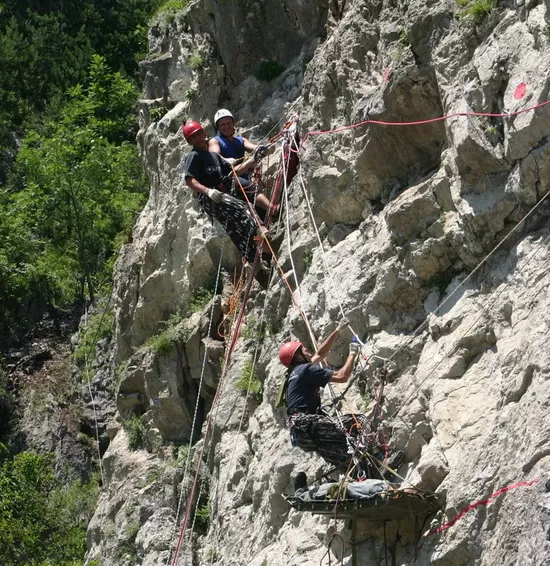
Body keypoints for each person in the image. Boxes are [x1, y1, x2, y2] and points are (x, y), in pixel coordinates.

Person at [278, 319, 382, 477]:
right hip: (309, 424)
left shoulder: (293, 374)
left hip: (301, 435)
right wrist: (353, 353)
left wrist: (338, 331)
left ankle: (367, 478)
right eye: (304, 350)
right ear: (298, 357)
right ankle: (380, 460)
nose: (309, 352)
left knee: (342, 454)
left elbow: (319, 354)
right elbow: (342, 376)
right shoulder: (305, 370)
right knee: (359, 423)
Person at [182, 120, 272, 288]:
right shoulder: (193, 156)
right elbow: (190, 180)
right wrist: (207, 191)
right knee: (245, 209)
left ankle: (259, 270)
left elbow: (233, 171)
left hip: (222, 194)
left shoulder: (214, 156)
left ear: (204, 133)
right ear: (190, 141)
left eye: (199, 134)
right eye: (193, 137)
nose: (198, 139)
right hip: (212, 198)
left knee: (239, 231)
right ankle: (263, 236)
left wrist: (254, 159)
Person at [208, 109, 274, 214]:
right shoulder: (215, 141)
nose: (226, 127)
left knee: (258, 207)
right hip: (229, 179)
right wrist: (226, 160)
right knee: (250, 187)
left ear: (233, 123)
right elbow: (215, 157)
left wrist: (263, 149)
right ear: (218, 128)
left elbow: (253, 147)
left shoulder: (240, 140)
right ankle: (273, 209)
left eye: (228, 123)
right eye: (222, 125)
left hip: (243, 175)